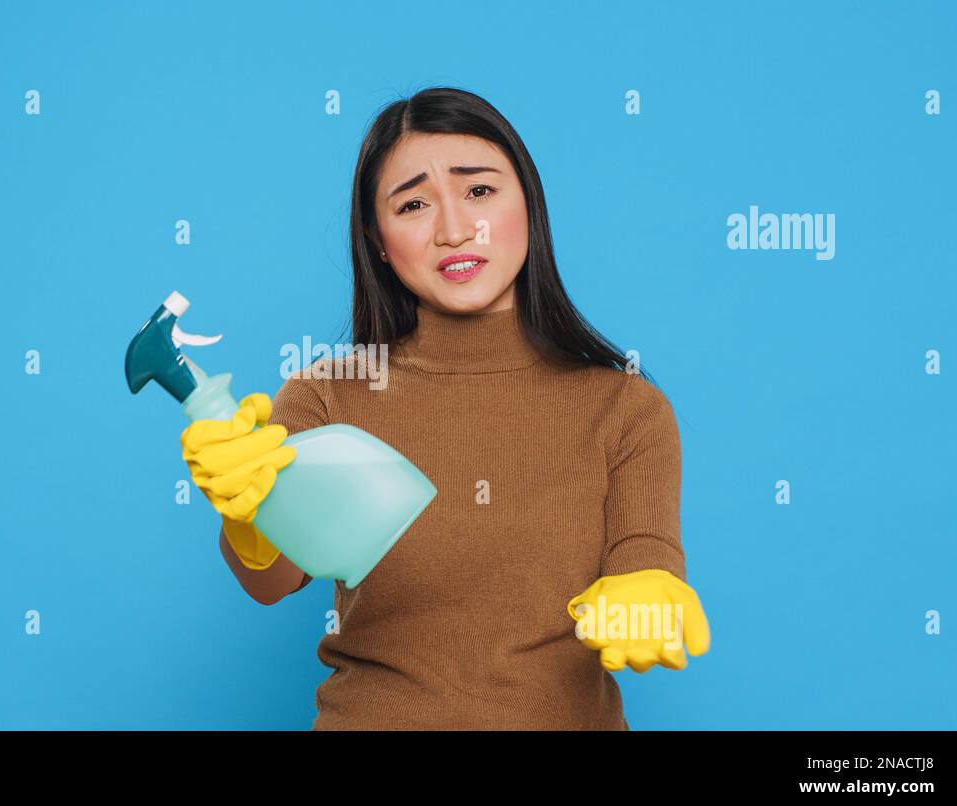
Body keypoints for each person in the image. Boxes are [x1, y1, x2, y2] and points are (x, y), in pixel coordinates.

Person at [180, 86, 710, 730]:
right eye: (413, 204)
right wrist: (251, 516)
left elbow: (645, 559)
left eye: (479, 191)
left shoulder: (627, 408)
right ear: (378, 240)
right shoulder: (326, 394)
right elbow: (270, 583)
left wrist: (647, 594)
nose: (454, 229)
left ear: (529, 207)